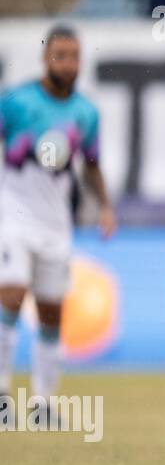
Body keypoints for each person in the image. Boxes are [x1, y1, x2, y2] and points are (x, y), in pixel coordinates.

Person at [0, 26, 115, 419]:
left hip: (55, 224)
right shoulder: (15, 103)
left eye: (75, 56)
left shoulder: (86, 113)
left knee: (51, 311)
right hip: (12, 214)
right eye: (61, 55)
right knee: (11, 296)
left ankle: (43, 403)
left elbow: (93, 165)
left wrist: (106, 207)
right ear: (46, 57)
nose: (69, 63)